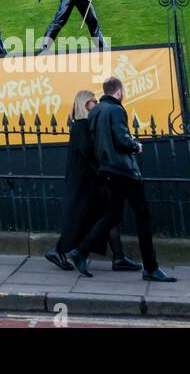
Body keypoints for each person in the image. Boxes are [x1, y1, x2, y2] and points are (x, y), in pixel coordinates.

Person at [65, 77, 176, 283]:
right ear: (118, 92)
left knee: (112, 214)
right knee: (143, 215)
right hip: (124, 170)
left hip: (107, 169)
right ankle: (150, 267)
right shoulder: (116, 110)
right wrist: (135, 145)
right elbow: (121, 138)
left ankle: (80, 251)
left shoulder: (96, 111)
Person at [45, 90, 140, 272]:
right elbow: (89, 153)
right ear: (84, 103)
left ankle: (118, 257)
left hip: (90, 180)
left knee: (104, 215)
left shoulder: (85, 124)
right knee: (89, 217)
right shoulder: (82, 125)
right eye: (93, 101)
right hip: (85, 182)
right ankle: (59, 251)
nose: (96, 104)